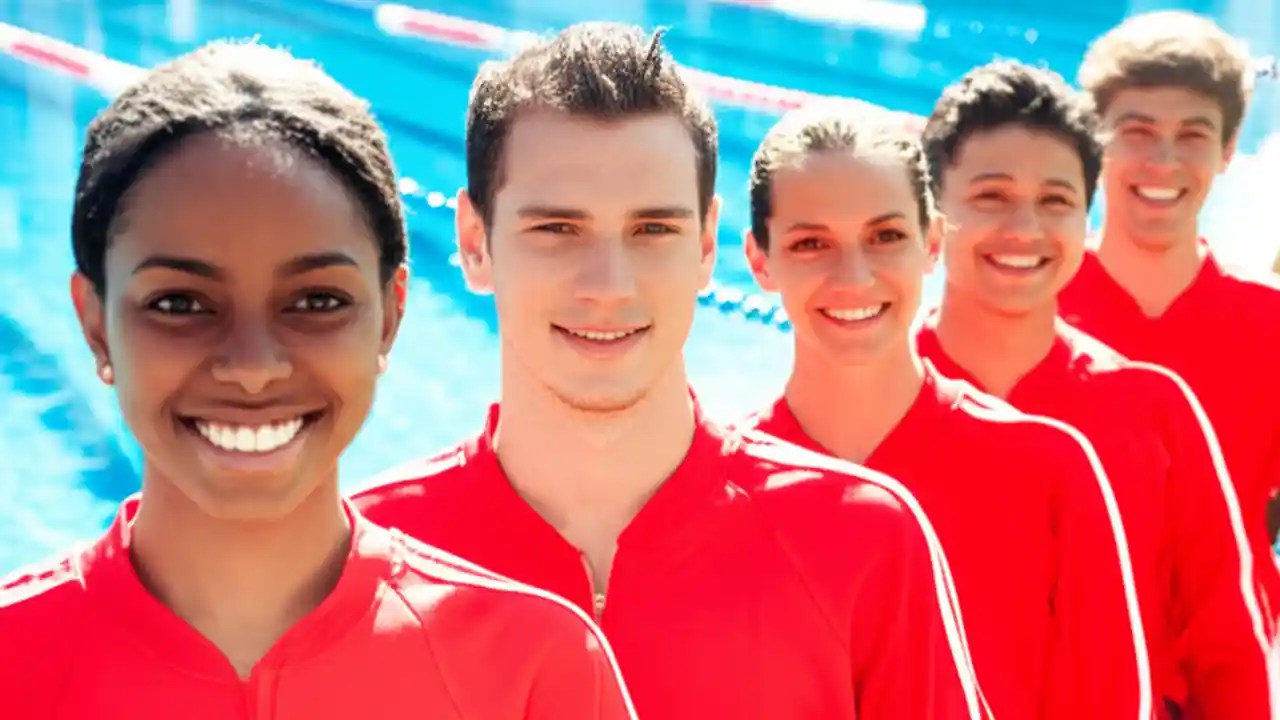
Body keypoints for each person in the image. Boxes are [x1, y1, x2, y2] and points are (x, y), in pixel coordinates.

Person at [354, 22, 984, 720]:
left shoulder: (861, 541)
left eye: (653, 230)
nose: (608, 285)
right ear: (476, 243)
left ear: (708, 244)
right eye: (557, 230)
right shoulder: (364, 565)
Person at [0, 40, 635, 720]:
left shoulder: (533, 670)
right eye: (180, 304)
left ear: (391, 315)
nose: (252, 366)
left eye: (316, 301)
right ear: (94, 324)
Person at [736, 103, 1147, 720]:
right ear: (760, 261)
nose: (854, 276)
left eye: (886, 237)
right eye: (811, 242)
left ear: (931, 243)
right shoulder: (728, 491)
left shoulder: (1049, 469)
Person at [914, 59, 1271, 720]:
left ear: (1085, 218)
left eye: (1056, 201)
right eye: (991, 196)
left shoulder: (1152, 408)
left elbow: (1229, 656)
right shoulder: (868, 407)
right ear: (933, 218)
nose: (1025, 228)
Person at [1058, 10, 1280, 644]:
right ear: (1093, 139)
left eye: (1193, 134)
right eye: (1138, 131)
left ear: (1228, 151)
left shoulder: (1271, 323)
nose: (1164, 160)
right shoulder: (1024, 307)